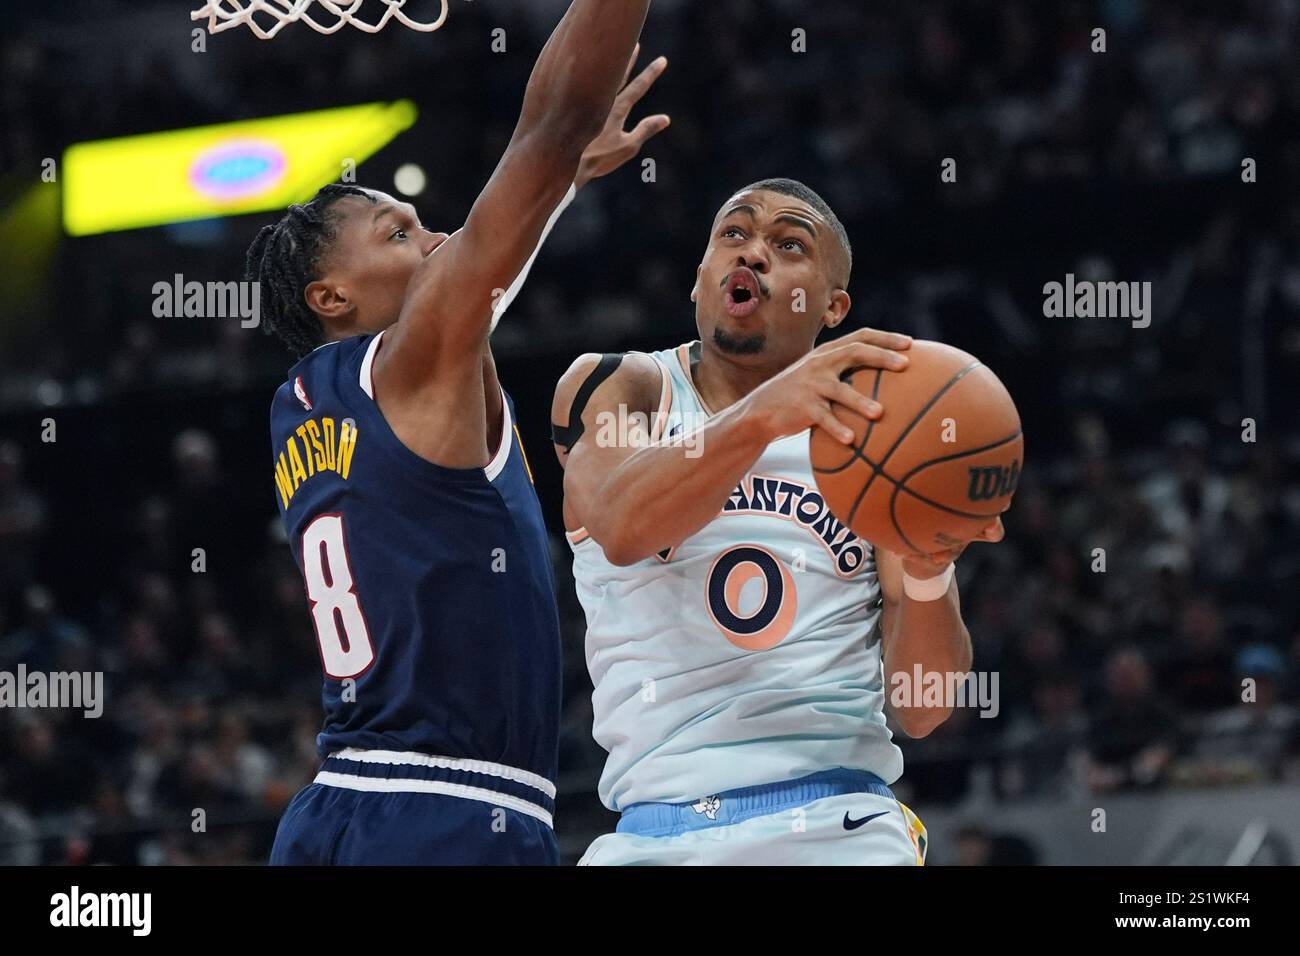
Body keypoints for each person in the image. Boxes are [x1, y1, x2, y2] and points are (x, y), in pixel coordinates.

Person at [246, 1, 666, 865]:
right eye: (400, 232)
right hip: (448, 813)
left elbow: (481, 271)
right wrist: (557, 158)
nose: (435, 238)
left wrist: (558, 185)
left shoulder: (300, 403)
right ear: (331, 298)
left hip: (333, 811)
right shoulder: (411, 365)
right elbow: (548, 124)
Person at [552, 178, 1004, 864]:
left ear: (833, 305)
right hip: (655, 832)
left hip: (836, 820)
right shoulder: (623, 386)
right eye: (733, 234)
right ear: (700, 281)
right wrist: (766, 413)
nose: (754, 253)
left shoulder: (875, 437)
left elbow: (924, 707)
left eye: (789, 243)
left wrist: (928, 568)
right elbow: (621, 525)